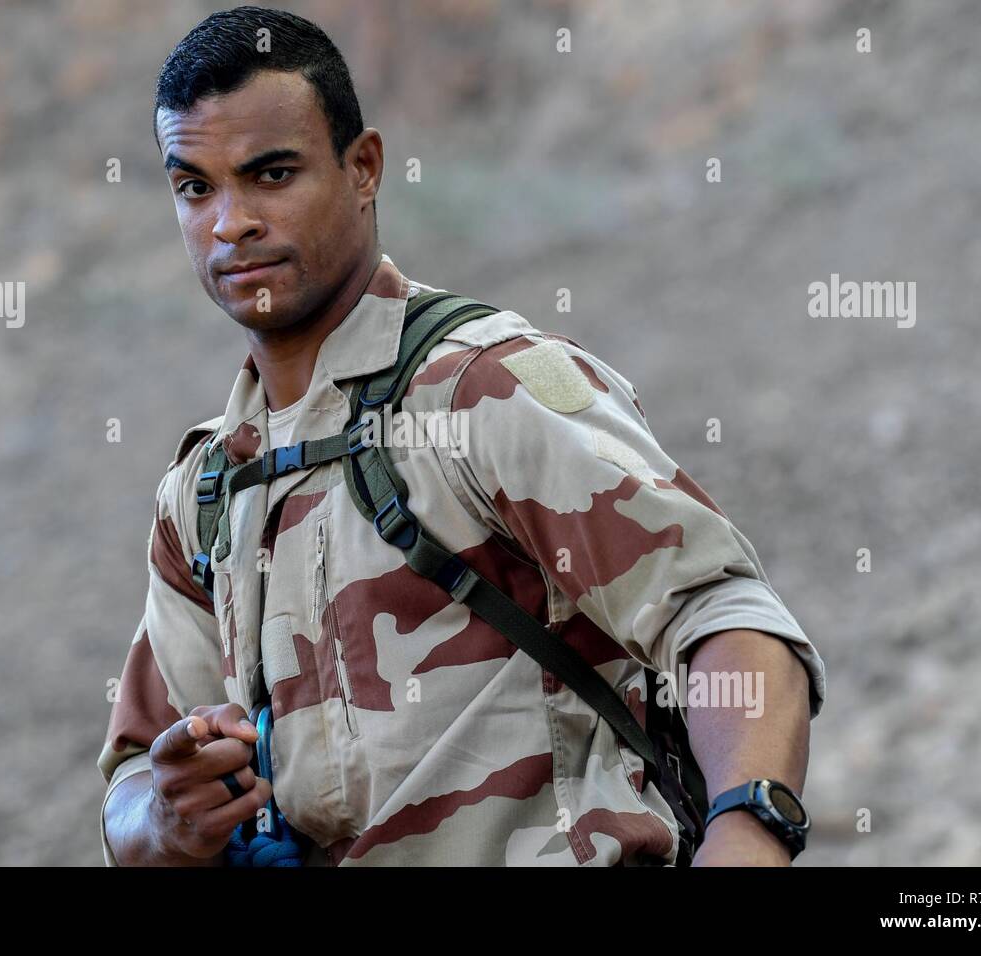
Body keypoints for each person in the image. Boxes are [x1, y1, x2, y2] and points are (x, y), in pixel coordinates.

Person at [98, 5, 827, 867]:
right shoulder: (207, 490)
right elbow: (134, 777)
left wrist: (747, 833)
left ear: (362, 168)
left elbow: (722, 616)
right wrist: (167, 821)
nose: (231, 223)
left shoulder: (484, 390)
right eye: (196, 187)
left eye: (272, 174)